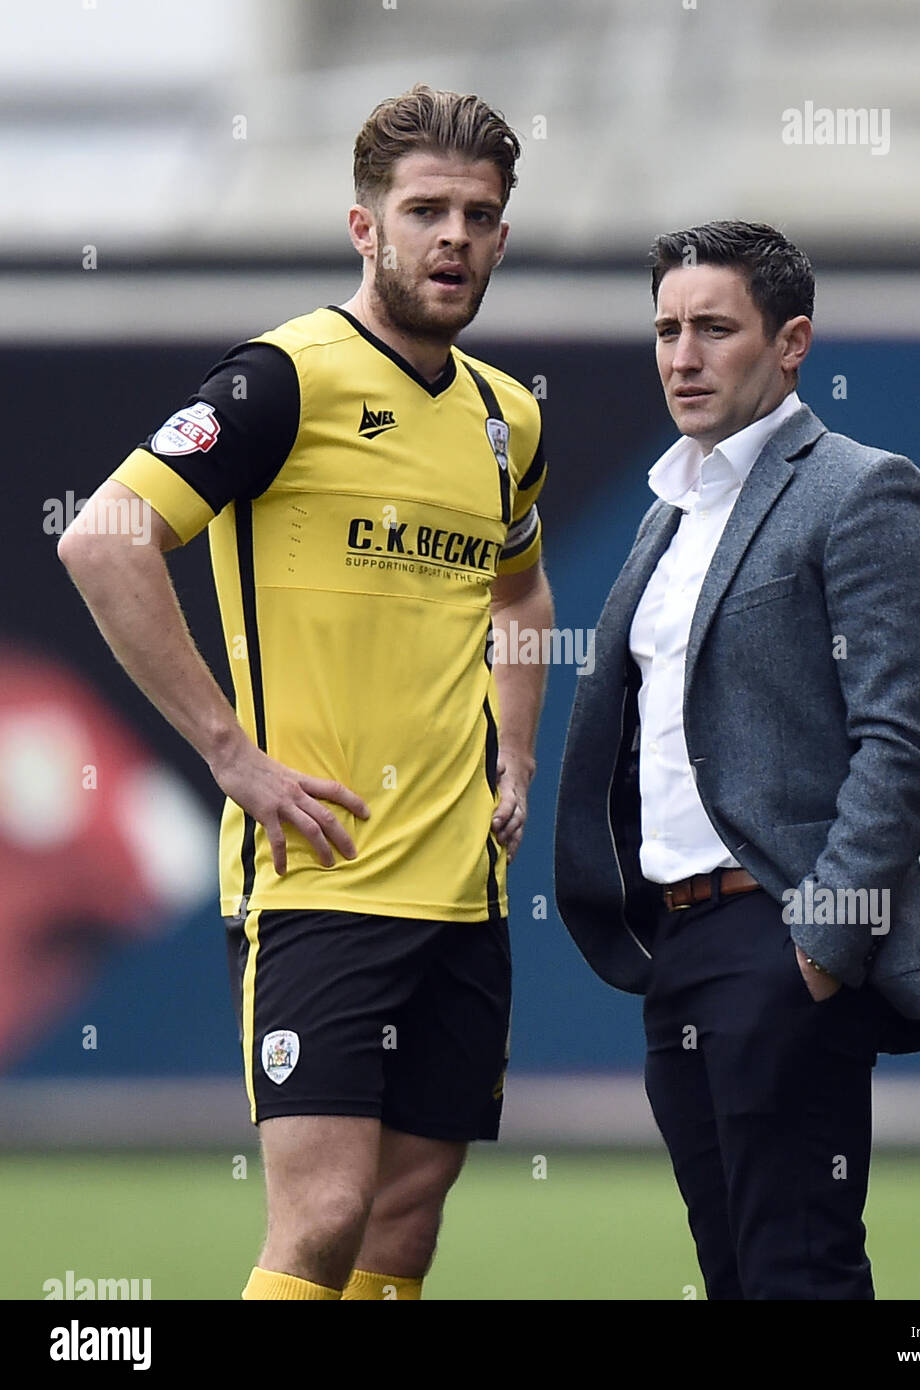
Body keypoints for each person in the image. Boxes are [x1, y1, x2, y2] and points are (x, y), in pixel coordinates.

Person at [58, 84, 553, 1302]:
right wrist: (230, 753)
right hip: (318, 871)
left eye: (477, 216)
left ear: (500, 238)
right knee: (323, 1215)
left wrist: (517, 757)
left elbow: (521, 602)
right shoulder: (285, 378)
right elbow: (105, 539)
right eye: (424, 209)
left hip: (461, 885)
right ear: (362, 226)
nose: (452, 236)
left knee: (404, 1221)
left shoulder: (508, 417)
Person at [553, 220, 920, 1300]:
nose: (680, 355)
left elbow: (905, 744)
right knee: (735, 1274)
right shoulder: (665, 514)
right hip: (678, 945)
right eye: (664, 329)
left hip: (778, 936)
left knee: (799, 1273)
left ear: (790, 344)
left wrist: (821, 943)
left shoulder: (862, 489)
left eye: (712, 329)